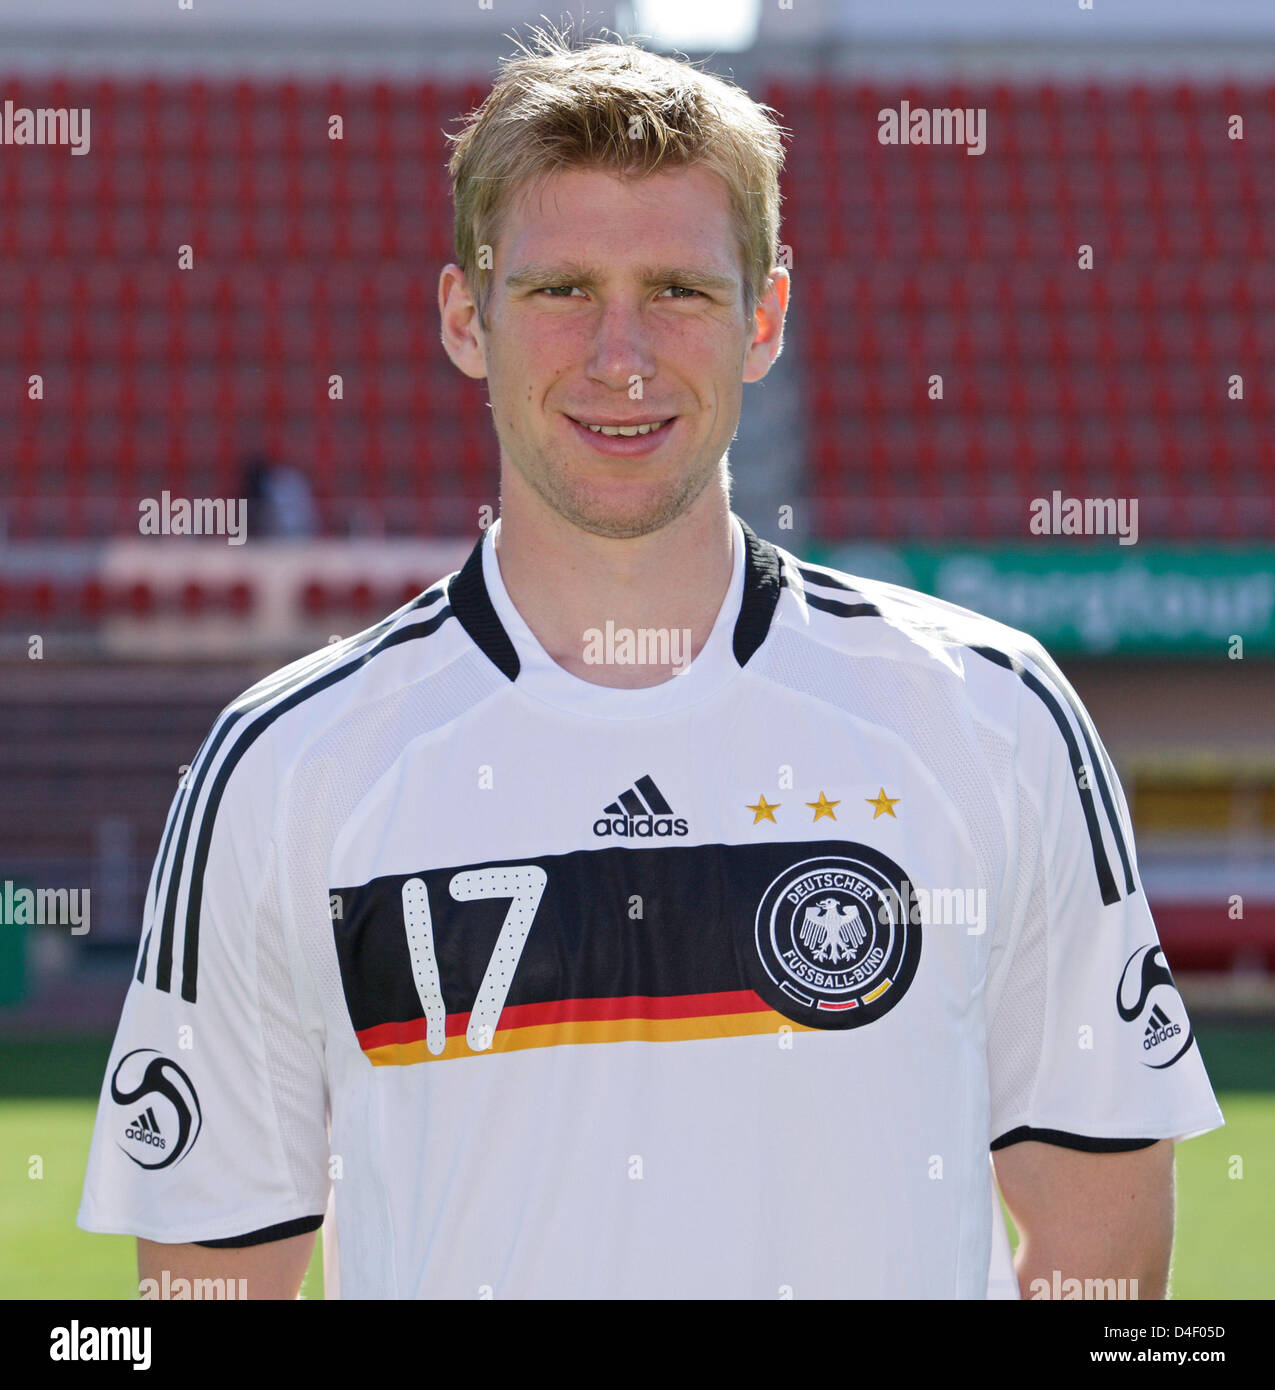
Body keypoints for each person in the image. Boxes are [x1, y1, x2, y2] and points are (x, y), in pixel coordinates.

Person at [78, 27, 1222, 1299]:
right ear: (468, 316)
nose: (620, 355)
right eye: (563, 288)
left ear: (764, 316)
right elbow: (204, 1286)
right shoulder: (284, 765)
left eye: (678, 290)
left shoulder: (990, 717)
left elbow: (1103, 1252)